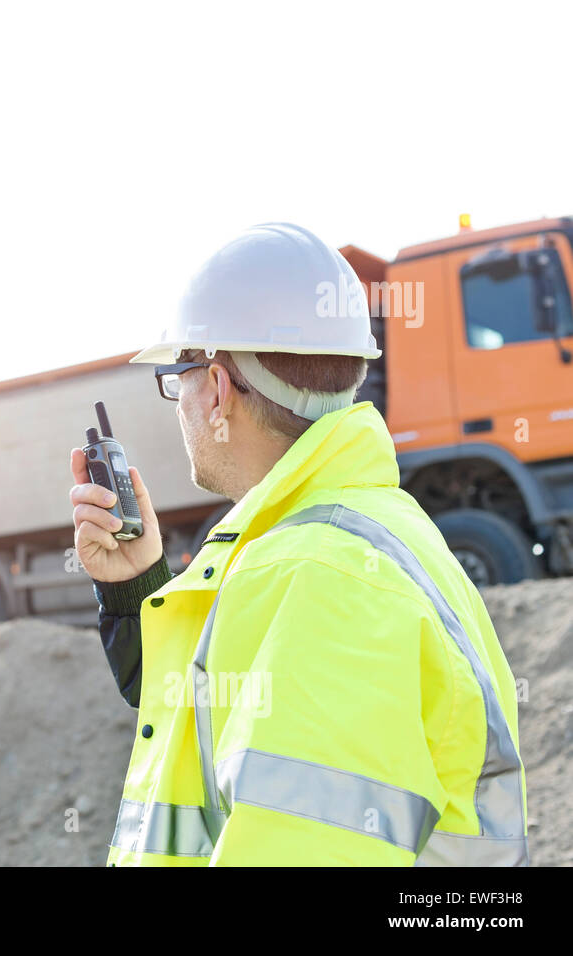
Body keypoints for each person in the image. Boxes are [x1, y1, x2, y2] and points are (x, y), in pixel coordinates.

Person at [69, 222, 527, 866]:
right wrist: (138, 586)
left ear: (219, 390)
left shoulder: (314, 577)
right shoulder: (372, 532)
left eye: (179, 376)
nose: (180, 402)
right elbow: (214, 716)